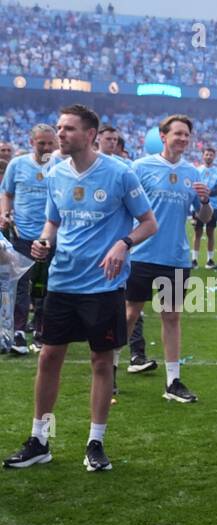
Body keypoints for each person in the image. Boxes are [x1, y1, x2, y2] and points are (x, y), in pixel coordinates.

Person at [3, 104, 156, 472]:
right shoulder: (56, 174)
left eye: (69, 128)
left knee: (101, 361)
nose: (61, 133)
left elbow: (148, 223)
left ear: (90, 134)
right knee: (48, 357)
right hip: (62, 281)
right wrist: (43, 242)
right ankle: (41, 438)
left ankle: (96, 442)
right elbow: (52, 223)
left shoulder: (120, 173)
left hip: (103, 286)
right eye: (59, 127)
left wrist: (123, 243)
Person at [124, 114, 211, 403]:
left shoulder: (193, 173)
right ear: (163, 136)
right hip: (142, 254)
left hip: (176, 257)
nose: (183, 139)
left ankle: (173, 382)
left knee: (171, 317)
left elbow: (203, 219)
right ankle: (107, 369)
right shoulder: (140, 167)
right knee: (129, 313)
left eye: (187, 135)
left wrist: (205, 202)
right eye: (178, 134)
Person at [0, 123, 58, 356]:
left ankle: (43, 330)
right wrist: (5, 212)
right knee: (21, 284)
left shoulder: (61, 167)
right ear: (32, 142)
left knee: (46, 286)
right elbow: (8, 193)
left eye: (49, 143)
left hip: (51, 237)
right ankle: (19, 332)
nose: (45, 147)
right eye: (41, 142)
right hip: (22, 234)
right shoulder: (17, 164)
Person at [191, 145, 217, 268]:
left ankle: (210, 260)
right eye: (207, 154)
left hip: (213, 207)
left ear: (214, 157)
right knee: (197, 232)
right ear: (203, 156)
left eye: (211, 154)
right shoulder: (197, 171)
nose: (209, 156)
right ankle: (194, 260)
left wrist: (207, 193)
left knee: (210, 233)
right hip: (198, 207)